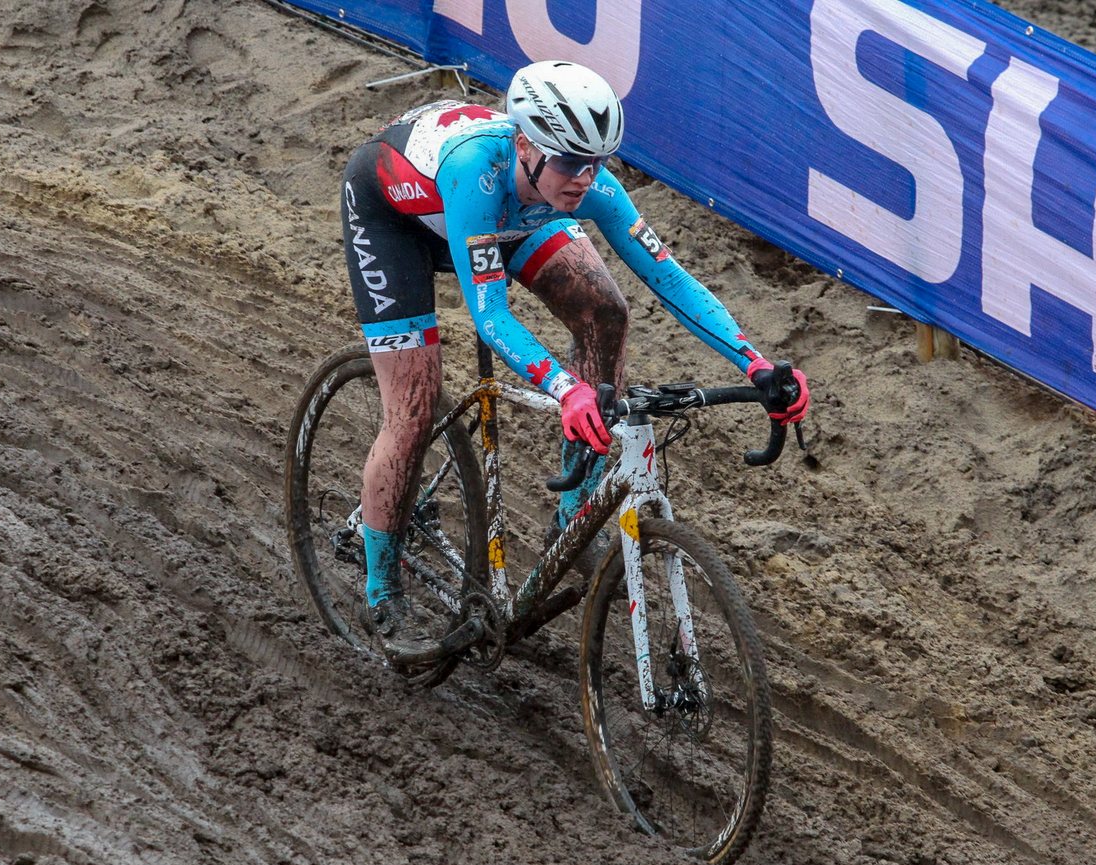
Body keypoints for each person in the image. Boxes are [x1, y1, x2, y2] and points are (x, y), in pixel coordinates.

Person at [340, 59, 809, 656]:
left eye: (596, 163)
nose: (584, 179)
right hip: (400, 219)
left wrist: (756, 364)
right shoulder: (477, 172)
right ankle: (381, 584)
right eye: (569, 161)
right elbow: (490, 316)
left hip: (513, 212)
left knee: (605, 310)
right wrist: (566, 388)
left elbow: (669, 278)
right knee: (412, 410)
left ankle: (572, 516)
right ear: (526, 145)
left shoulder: (580, 183)